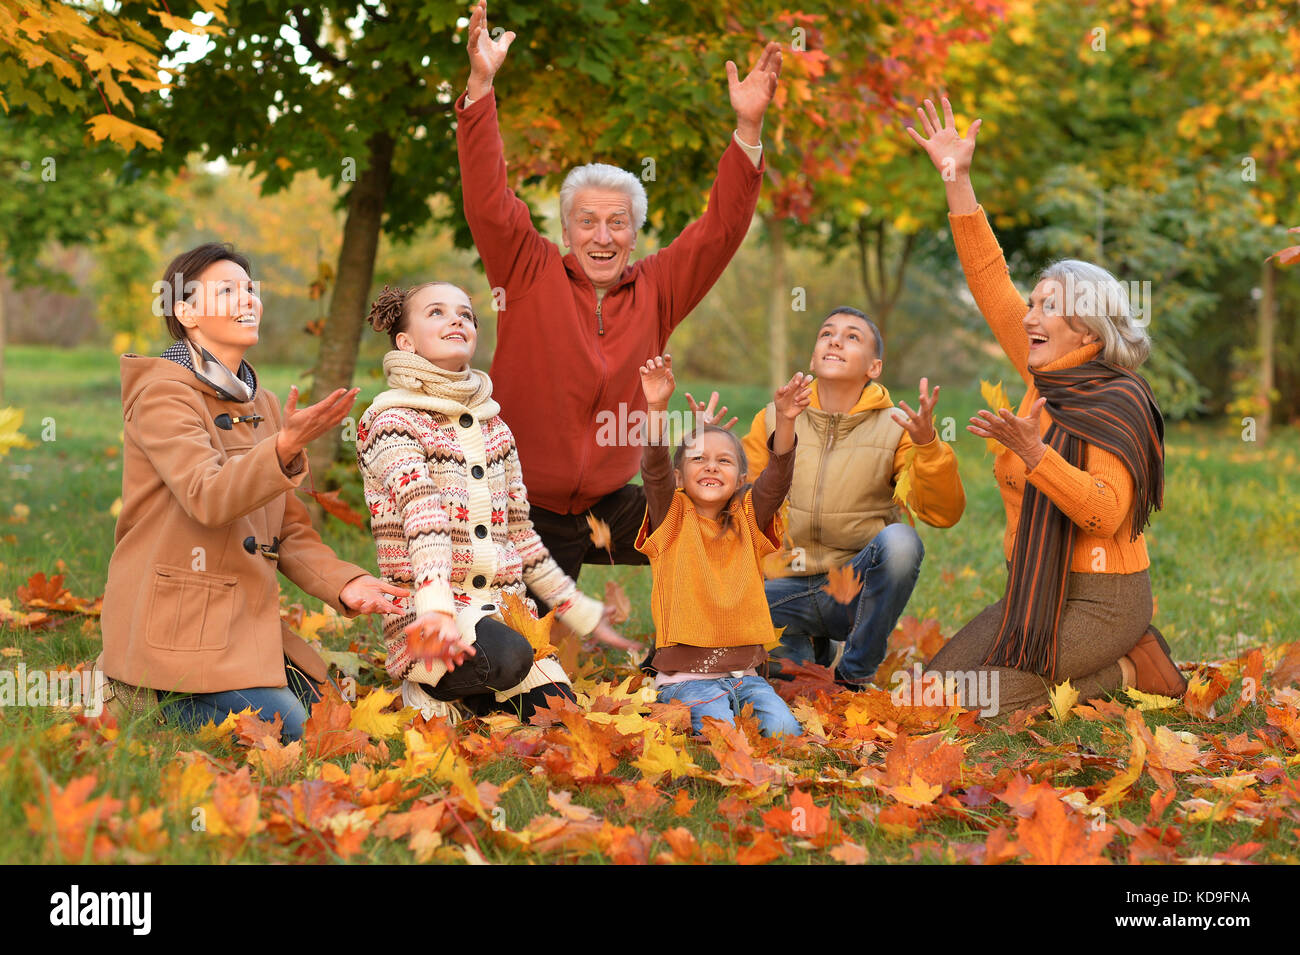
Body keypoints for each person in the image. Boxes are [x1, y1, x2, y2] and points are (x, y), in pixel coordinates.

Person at [455, 0, 781, 587]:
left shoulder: (658, 287)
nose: (602, 237)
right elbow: (486, 200)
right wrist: (481, 89)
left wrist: (749, 131)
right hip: (523, 508)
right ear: (564, 230)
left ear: (634, 233)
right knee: (528, 666)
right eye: (587, 222)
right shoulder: (526, 270)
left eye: (617, 223)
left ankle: (701, 655)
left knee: (719, 527)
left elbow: (721, 230)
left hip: (614, 504)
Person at [907, 96, 1185, 713]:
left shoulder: (1118, 402)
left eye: (1046, 306)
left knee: (978, 706)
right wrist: (957, 178)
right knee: (925, 694)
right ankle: (1076, 674)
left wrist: (1036, 454)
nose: (1028, 316)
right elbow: (986, 274)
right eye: (1031, 303)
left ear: (1086, 329)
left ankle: (1129, 665)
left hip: (1105, 598)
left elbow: (1106, 515)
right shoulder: (1043, 370)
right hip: (1037, 591)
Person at [98, 242, 404, 741]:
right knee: (303, 735)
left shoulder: (258, 400)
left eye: (250, 289)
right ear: (186, 310)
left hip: (239, 625)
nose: (247, 300)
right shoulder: (162, 393)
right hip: (180, 625)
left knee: (339, 715)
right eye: (227, 290)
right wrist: (282, 447)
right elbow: (208, 496)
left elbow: (286, 530)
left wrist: (345, 584)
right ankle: (139, 694)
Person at [355, 281, 637, 723]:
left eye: (466, 314)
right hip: (429, 612)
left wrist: (579, 611)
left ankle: (475, 696)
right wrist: (437, 610)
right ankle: (426, 682)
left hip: (505, 611)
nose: (457, 320)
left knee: (559, 716)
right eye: (437, 312)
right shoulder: (392, 421)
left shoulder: (494, 427)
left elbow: (523, 537)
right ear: (405, 343)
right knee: (508, 657)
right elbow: (422, 517)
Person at [741, 307, 966, 688]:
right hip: (782, 588)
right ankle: (810, 644)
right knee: (787, 685)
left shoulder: (897, 427)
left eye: (852, 336)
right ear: (813, 358)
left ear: (874, 367)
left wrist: (928, 445)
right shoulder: (773, 418)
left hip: (853, 589)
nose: (835, 340)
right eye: (826, 333)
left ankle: (855, 675)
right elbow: (743, 508)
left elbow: (943, 513)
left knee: (901, 543)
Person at [635, 354, 808, 737]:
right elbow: (655, 467)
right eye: (699, 459)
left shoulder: (750, 515)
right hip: (686, 680)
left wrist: (786, 419)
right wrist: (657, 406)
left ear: (741, 477)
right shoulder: (671, 514)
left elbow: (777, 480)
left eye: (724, 460)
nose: (711, 466)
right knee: (720, 736)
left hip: (746, 678)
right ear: (681, 476)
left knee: (786, 735)